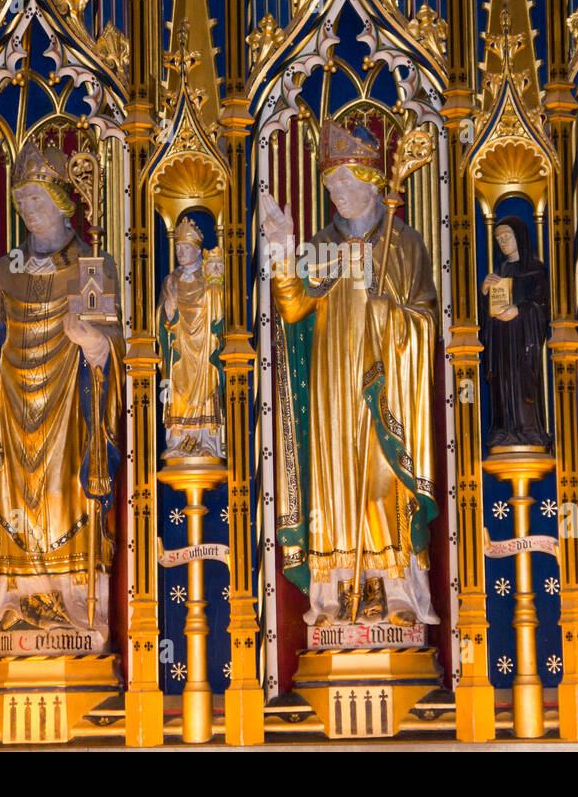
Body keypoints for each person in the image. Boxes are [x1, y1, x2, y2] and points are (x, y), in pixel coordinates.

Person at [263, 120, 439, 627]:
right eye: (330, 185)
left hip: (383, 383)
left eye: (346, 182)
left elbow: (426, 318)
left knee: (382, 481)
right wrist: (281, 248)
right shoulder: (321, 244)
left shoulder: (403, 242)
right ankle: (336, 591)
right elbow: (293, 308)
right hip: (331, 383)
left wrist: (386, 315)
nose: (338, 193)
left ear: (371, 181)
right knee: (334, 481)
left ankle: (397, 588)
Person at [0, 141, 124, 633]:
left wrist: (94, 343)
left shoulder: (91, 267)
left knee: (64, 495)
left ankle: (76, 604)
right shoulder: (6, 268)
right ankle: (16, 599)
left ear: (60, 200)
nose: (27, 211)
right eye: (20, 202)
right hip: (11, 409)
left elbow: (112, 347)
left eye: (35, 199)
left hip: (68, 412)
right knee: (12, 497)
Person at [480, 216, 551, 448]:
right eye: (498, 238)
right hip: (501, 340)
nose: (502, 241)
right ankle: (503, 428)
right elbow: (484, 315)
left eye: (506, 236)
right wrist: (484, 292)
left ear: (519, 236)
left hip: (524, 340)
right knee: (502, 382)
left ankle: (528, 429)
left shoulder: (535, 269)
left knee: (523, 382)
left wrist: (519, 310)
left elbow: (542, 304)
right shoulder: (499, 271)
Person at [158, 216, 225, 459]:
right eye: (177, 248)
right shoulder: (171, 281)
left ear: (198, 251)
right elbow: (161, 320)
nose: (180, 252)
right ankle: (178, 440)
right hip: (180, 349)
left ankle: (207, 441)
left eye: (185, 248)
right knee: (176, 388)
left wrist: (214, 292)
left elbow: (219, 316)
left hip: (204, 350)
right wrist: (169, 309)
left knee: (208, 387)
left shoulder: (209, 279)